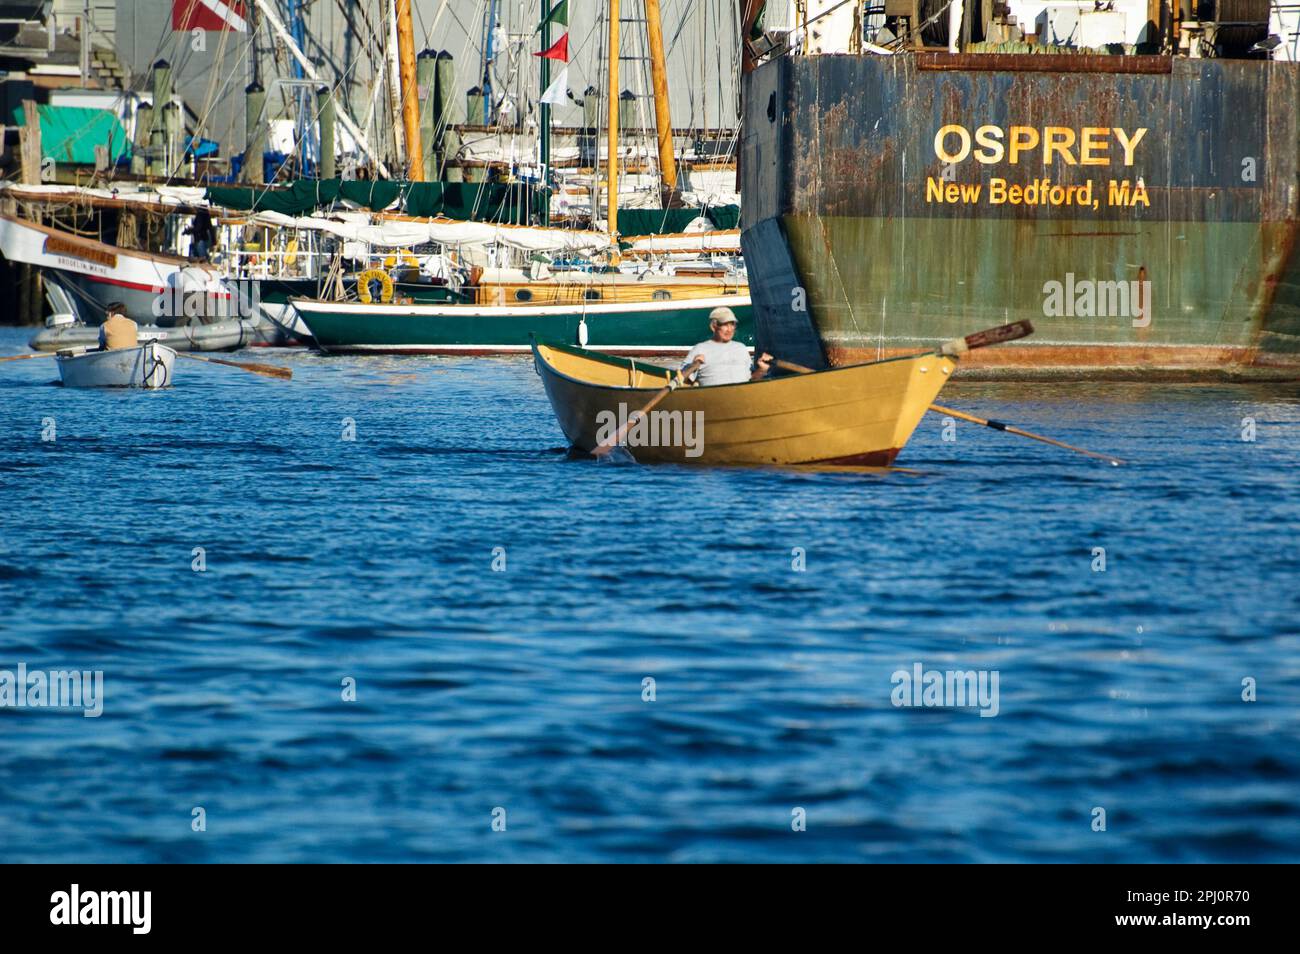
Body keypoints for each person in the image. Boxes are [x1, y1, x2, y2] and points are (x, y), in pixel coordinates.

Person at [681, 307, 771, 386]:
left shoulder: (741, 348)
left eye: (732, 324)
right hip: (714, 401)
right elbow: (681, 379)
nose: (729, 329)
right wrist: (693, 365)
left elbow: (752, 380)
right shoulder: (700, 349)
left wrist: (762, 369)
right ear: (713, 326)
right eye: (725, 324)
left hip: (743, 399)